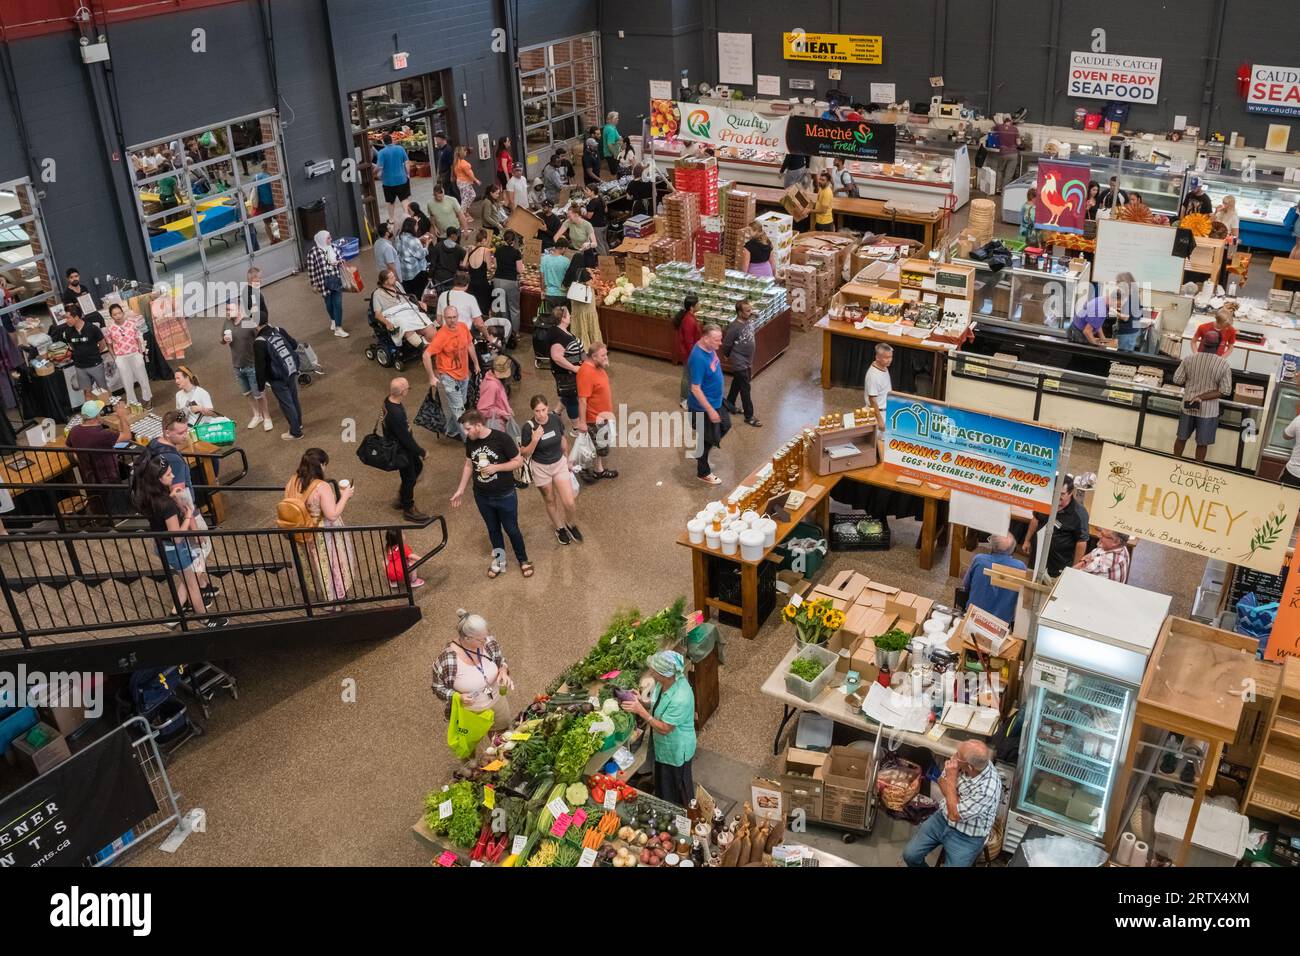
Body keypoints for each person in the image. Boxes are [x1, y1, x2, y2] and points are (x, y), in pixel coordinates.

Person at [133, 455, 226, 628]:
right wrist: (188, 515)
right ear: (159, 479)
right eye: (168, 474)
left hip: (161, 546)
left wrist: (174, 499)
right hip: (176, 549)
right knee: (192, 585)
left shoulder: (148, 497)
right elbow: (177, 536)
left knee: (187, 580)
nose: (173, 476)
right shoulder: (166, 505)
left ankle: (175, 614)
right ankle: (205, 619)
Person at [451, 410, 532, 578]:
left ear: (478, 425)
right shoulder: (471, 441)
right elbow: (469, 465)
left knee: (511, 529)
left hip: (505, 495)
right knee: (493, 530)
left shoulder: (502, 439)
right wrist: (460, 489)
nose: (465, 433)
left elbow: (518, 461)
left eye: (468, 429)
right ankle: (500, 561)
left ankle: (523, 559)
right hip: (482, 496)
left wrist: (496, 467)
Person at [902, 741, 1001, 867]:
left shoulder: (988, 788)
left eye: (958, 755)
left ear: (970, 767)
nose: (953, 757)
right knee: (910, 855)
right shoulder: (959, 764)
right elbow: (941, 780)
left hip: (967, 835)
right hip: (942, 818)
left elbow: (954, 814)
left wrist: (952, 780)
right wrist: (954, 797)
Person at [619, 650, 696, 805]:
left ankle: (682, 813)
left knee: (676, 788)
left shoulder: (680, 697)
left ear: (665, 674)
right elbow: (658, 704)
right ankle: (664, 803)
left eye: (654, 670)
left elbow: (665, 728)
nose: (651, 672)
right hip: (663, 747)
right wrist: (642, 702)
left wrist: (641, 712)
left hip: (675, 750)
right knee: (663, 783)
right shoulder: (665, 683)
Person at [430, 610, 515, 748]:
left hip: (497, 701)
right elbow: (437, 688)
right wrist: (458, 697)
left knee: (502, 739)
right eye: (481, 639)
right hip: (470, 712)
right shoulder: (446, 660)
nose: (486, 640)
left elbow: (501, 660)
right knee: (468, 744)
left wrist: (503, 670)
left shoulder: (489, 642)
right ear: (467, 638)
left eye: (486, 635)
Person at [285, 448, 354, 604]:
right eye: (324, 464)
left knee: (312, 564)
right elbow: (332, 514)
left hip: (300, 530)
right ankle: (334, 600)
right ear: (320, 465)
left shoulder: (293, 480)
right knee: (329, 564)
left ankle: (320, 594)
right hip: (321, 533)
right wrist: (345, 496)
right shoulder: (321, 486)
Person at [520, 395, 581, 545]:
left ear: (548, 407)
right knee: (550, 499)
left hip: (559, 464)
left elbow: (562, 439)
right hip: (541, 468)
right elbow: (525, 453)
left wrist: (567, 459)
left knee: (569, 502)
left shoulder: (555, 420)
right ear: (533, 411)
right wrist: (534, 439)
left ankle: (570, 524)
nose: (541, 414)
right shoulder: (528, 428)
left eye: (543, 410)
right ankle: (559, 528)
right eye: (537, 411)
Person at [1173, 328, 1232, 463]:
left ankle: (1174, 464)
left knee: (1181, 438)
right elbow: (1225, 391)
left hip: (1188, 406)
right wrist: (1202, 397)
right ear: (1219, 345)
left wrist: (1192, 384)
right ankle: (1197, 470)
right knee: (1202, 444)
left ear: (1203, 342)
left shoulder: (1189, 359)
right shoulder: (1223, 364)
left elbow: (1177, 380)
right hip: (1209, 411)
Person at [67, 399, 133, 512]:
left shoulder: (74, 431)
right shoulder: (102, 435)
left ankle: (104, 517)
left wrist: (80, 458)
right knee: (117, 507)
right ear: (96, 416)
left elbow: (68, 446)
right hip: (108, 478)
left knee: (100, 504)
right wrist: (122, 416)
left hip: (90, 477)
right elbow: (127, 435)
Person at [424, 306, 479, 441]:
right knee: (459, 409)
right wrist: (431, 377)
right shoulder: (441, 335)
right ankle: (469, 440)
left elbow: (470, 345)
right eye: (449, 318)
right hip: (448, 376)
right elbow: (426, 355)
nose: (452, 320)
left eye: (454, 317)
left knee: (461, 403)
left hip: (463, 374)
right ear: (444, 318)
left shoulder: (463, 327)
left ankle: (452, 430)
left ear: (458, 316)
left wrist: (476, 363)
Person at [1019, 475, 1089, 577]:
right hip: (1036, 556)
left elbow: (1081, 542)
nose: (1056, 496)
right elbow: (1036, 519)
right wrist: (1027, 540)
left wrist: (1074, 570)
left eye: (1062, 494)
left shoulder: (1079, 513)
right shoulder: (1045, 500)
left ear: (1070, 493)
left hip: (1058, 564)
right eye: (1054, 492)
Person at [383, 377, 430, 522]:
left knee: (417, 467)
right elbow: (406, 439)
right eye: (408, 388)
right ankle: (408, 507)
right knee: (409, 477)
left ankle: (402, 496)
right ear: (402, 392)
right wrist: (422, 451)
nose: (408, 391)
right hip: (401, 450)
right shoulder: (395, 413)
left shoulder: (387, 401)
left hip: (399, 445)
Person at [688, 323, 729, 485]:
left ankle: (700, 452)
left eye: (720, 339)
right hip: (703, 408)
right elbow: (695, 388)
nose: (720, 343)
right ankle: (703, 472)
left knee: (724, 426)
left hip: (716, 401)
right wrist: (710, 410)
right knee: (707, 439)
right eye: (716, 340)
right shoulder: (698, 358)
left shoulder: (710, 349)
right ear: (705, 338)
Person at [221, 302, 272, 431]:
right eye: (226, 309)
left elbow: (262, 335)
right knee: (247, 394)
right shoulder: (227, 323)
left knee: (259, 394)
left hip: (252, 365)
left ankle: (267, 417)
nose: (228, 312)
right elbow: (221, 340)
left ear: (238, 309)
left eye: (230, 309)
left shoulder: (248, 323)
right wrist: (224, 340)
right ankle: (257, 415)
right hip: (237, 366)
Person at [960, 534, 1026, 628]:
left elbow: (965, 585)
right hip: (1000, 624)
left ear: (992, 545)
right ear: (1013, 548)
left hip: (973, 617)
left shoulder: (979, 559)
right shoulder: (1020, 567)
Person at [254, 317, 304, 440]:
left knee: (286, 404)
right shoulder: (278, 330)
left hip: (276, 378)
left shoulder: (259, 342)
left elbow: (260, 367)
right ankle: (299, 424)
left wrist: (260, 387)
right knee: (294, 399)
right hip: (290, 370)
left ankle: (295, 432)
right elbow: (294, 344)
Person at [576, 342, 617, 482]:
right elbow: (582, 400)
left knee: (601, 446)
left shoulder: (598, 366)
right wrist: (582, 423)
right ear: (593, 357)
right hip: (594, 418)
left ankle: (599, 469)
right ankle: (583, 468)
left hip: (603, 416)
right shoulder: (586, 372)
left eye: (606, 354)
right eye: (603, 355)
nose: (606, 357)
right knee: (593, 446)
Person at [104, 302, 152, 408]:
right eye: (115, 314)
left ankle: (148, 399)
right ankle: (132, 403)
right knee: (127, 381)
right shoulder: (110, 329)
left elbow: (138, 339)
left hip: (135, 353)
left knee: (142, 377)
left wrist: (140, 352)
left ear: (123, 312)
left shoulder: (132, 324)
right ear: (111, 316)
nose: (118, 316)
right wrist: (115, 358)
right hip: (121, 357)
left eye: (119, 313)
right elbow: (109, 344)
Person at [722, 299, 761, 428]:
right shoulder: (734, 327)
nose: (750, 312)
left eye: (751, 309)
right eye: (747, 311)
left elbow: (757, 315)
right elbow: (727, 344)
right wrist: (726, 355)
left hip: (748, 360)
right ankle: (749, 416)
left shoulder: (749, 319)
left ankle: (729, 404)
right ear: (739, 313)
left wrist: (752, 312)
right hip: (739, 361)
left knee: (737, 382)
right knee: (745, 388)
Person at [372, 268, 434, 348]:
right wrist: (387, 323)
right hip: (394, 315)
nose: (395, 278)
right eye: (392, 277)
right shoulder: (377, 294)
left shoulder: (397, 285)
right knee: (404, 324)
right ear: (385, 281)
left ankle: (434, 343)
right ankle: (423, 347)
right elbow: (377, 314)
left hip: (407, 309)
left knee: (425, 321)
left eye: (394, 276)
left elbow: (407, 298)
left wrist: (419, 302)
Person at [54, 304, 109, 393]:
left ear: (76, 317)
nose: (66, 321)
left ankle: (107, 402)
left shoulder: (92, 328)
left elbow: (102, 345)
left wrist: (93, 353)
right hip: (80, 367)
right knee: (87, 392)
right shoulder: (68, 332)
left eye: (68, 318)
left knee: (103, 391)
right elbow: (72, 346)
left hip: (95, 365)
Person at [306, 230, 348, 338]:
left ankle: (338, 328)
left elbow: (341, 258)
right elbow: (311, 270)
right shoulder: (313, 253)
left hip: (336, 280)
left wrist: (339, 262)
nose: (331, 239)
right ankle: (333, 319)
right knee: (329, 304)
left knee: (338, 303)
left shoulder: (333, 247)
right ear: (322, 239)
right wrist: (314, 284)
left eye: (330, 237)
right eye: (328, 238)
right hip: (323, 283)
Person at [548, 305, 583, 421]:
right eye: (568, 314)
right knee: (572, 398)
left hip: (570, 371)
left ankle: (556, 412)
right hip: (566, 373)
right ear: (563, 318)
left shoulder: (560, 330)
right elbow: (557, 357)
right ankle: (576, 427)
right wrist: (573, 368)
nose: (570, 316)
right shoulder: (558, 336)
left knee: (568, 393)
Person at [436, 271, 490, 343]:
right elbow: (479, 324)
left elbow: (439, 320)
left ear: (454, 282)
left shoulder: (443, 295)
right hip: (463, 338)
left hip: (446, 337)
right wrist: (488, 337)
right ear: (467, 284)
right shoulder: (470, 298)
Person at [563, 248, 601, 347]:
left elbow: (565, 285)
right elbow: (593, 285)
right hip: (586, 303)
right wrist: (592, 274)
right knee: (590, 324)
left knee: (579, 324)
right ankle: (593, 345)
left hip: (575, 303)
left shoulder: (569, 272)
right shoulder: (584, 272)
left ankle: (580, 345)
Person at [374, 132, 412, 229]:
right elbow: (407, 162)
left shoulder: (382, 152)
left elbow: (379, 167)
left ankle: (391, 221)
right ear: (392, 140)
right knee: (404, 199)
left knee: (390, 202)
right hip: (402, 179)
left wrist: (373, 172)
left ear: (383, 142)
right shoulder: (400, 149)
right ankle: (408, 218)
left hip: (388, 182)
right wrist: (407, 174)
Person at [477, 354, 518, 440]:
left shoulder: (491, 377)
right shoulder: (492, 386)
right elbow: (483, 409)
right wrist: (502, 413)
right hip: (496, 423)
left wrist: (507, 409)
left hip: (500, 420)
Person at [492, 230, 523, 337]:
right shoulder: (516, 252)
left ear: (504, 239)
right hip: (510, 281)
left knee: (503, 307)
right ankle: (515, 333)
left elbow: (496, 266)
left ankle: (506, 331)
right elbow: (520, 270)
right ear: (514, 240)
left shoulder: (498, 250)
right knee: (514, 308)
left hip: (497, 280)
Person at [673, 294, 701, 408]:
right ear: (692, 307)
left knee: (690, 376)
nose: (700, 305)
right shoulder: (689, 320)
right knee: (687, 376)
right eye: (698, 303)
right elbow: (689, 342)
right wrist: (694, 356)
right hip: (689, 354)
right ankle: (684, 399)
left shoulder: (690, 317)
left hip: (691, 352)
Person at [395, 218, 430, 299]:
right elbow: (421, 254)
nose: (417, 227)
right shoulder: (414, 240)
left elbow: (407, 246)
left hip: (404, 272)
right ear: (412, 227)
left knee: (408, 294)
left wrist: (419, 239)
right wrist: (427, 244)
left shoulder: (398, 237)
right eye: (416, 225)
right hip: (416, 273)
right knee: (418, 295)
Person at [864, 342, 893, 435]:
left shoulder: (883, 367)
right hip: (878, 414)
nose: (889, 360)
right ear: (877, 357)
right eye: (886, 358)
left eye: (890, 357)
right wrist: (880, 421)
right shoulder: (873, 376)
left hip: (885, 411)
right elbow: (872, 400)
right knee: (878, 441)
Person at [1112, 271, 1144, 352]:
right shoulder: (1134, 294)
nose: (1117, 285)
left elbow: (1125, 318)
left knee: (1122, 356)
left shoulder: (1131, 297)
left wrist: (1113, 311)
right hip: (1132, 331)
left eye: (1118, 282)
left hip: (1127, 333)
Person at [429, 226, 467, 290]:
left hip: (438, 277)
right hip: (451, 278)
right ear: (452, 235)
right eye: (456, 235)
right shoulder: (459, 249)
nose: (457, 237)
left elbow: (433, 263)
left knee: (440, 294)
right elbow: (465, 261)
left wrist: (430, 276)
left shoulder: (438, 246)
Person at [540, 240, 571, 314]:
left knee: (549, 317)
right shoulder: (566, 261)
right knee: (561, 318)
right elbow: (568, 278)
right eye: (566, 249)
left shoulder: (544, 259)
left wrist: (542, 290)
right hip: (562, 294)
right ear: (563, 248)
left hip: (549, 293)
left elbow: (542, 277)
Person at [993, 115, 1020, 193]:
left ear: (1003, 120)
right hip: (1013, 154)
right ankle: (1004, 191)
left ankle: (998, 189)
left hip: (1003, 153)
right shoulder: (1015, 129)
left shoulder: (999, 127)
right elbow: (1018, 143)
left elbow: (993, 130)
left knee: (1000, 170)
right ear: (1011, 120)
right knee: (1009, 173)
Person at [582, 181, 608, 254]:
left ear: (592, 192)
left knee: (598, 245)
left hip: (597, 227)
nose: (585, 192)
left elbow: (589, 216)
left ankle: (605, 260)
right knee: (603, 242)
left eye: (587, 190)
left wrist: (582, 213)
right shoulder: (600, 198)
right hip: (604, 224)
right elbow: (606, 210)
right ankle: (609, 257)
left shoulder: (593, 202)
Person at [601, 111, 621, 175]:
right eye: (616, 118)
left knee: (614, 172)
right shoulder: (611, 130)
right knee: (615, 173)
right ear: (611, 119)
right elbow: (610, 144)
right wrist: (616, 155)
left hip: (610, 154)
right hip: (612, 155)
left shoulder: (608, 127)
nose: (618, 119)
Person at [1283, 414, 1300, 488]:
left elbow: (1286, 436)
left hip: (1293, 472)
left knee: (1283, 494)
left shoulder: (1298, 419)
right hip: (1293, 472)